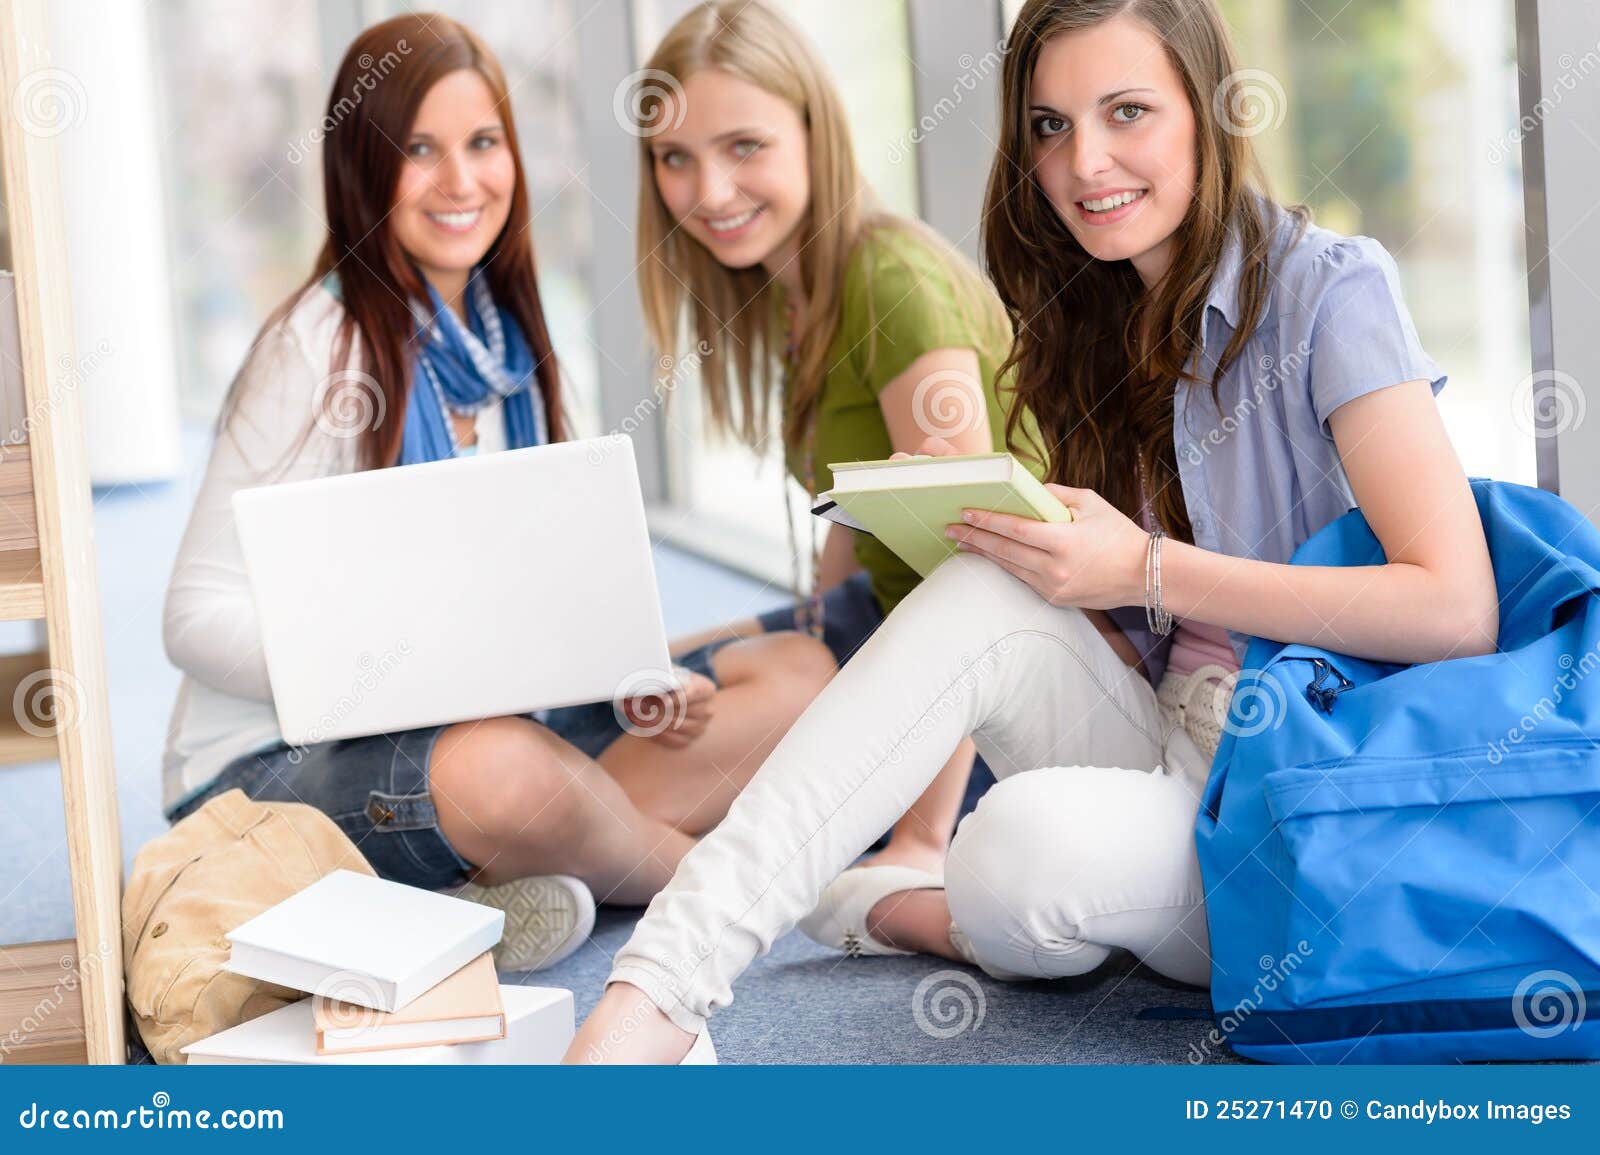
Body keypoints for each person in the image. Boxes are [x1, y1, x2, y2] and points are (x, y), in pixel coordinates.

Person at [567, 0, 1497, 1061]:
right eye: (1050, 126)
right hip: (1157, 731)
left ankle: (912, 910)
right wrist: (990, 527)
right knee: (981, 598)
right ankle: (652, 999)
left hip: (1294, 799)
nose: (1084, 162)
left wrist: (1146, 567)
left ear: (1208, 111)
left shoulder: (1332, 291)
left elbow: (1456, 606)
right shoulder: (1088, 317)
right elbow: (1103, 631)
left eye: (1128, 112)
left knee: (1015, 853)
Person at [160, 13, 834, 973]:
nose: (461, 181)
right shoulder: (317, 349)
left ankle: (520, 868)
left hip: (501, 723)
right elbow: (192, 617)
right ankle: (732, 890)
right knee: (498, 770)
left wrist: (624, 670)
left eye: (483, 144)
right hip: (277, 767)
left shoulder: (510, 344)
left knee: (796, 671)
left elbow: (538, 602)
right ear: (363, 169)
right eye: (419, 151)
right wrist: (395, 669)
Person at [625, 1, 1084, 916]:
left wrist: (918, 843)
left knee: (679, 748)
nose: (709, 190)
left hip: (996, 700)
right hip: (887, 635)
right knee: (645, 669)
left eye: (743, 146)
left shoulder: (891, 279)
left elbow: (973, 572)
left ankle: (604, 847)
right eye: (676, 158)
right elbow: (849, 540)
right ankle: (640, 845)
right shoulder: (795, 298)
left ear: (812, 132)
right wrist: (750, 640)